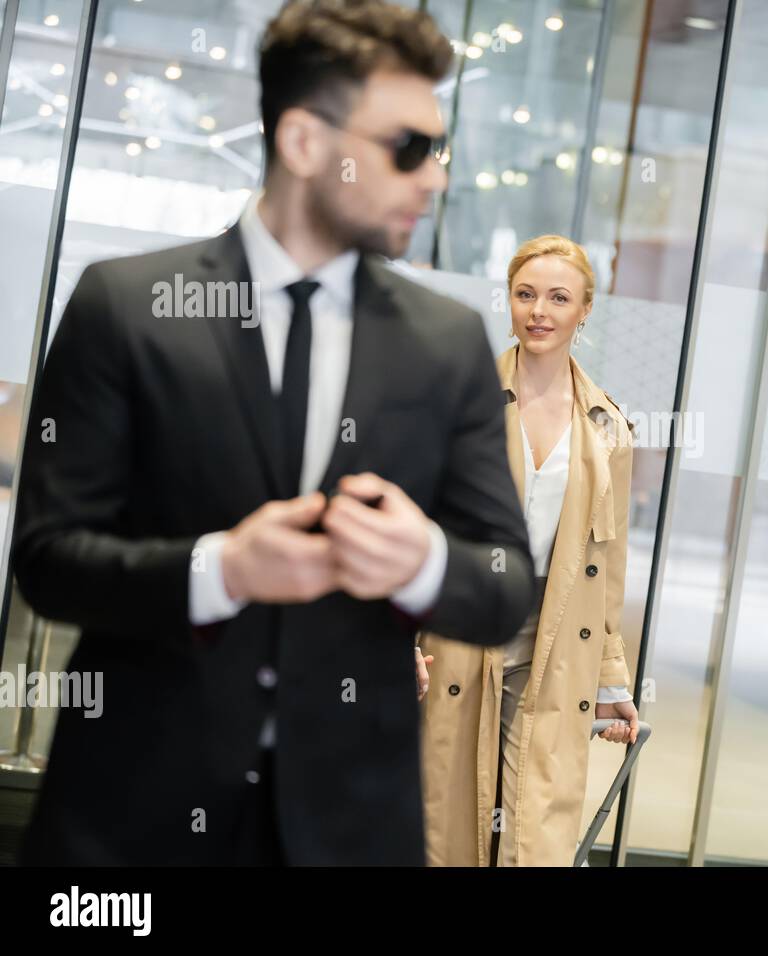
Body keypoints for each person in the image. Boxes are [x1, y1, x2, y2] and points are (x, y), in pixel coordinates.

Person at [11, 0, 533, 865]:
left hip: (352, 828)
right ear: (302, 143)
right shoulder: (129, 308)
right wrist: (223, 570)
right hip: (129, 825)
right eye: (408, 149)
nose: (434, 178)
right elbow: (49, 560)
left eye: (436, 151)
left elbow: (506, 583)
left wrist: (424, 562)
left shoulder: (447, 345)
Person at [416, 235, 637, 867]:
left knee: (534, 832)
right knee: (449, 818)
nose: (539, 311)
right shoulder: (463, 401)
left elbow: (608, 563)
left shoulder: (607, 427)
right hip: (462, 626)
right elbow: (418, 525)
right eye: (525, 294)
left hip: (558, 635)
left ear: (585, 309)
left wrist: (612, 675)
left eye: (558, 298)